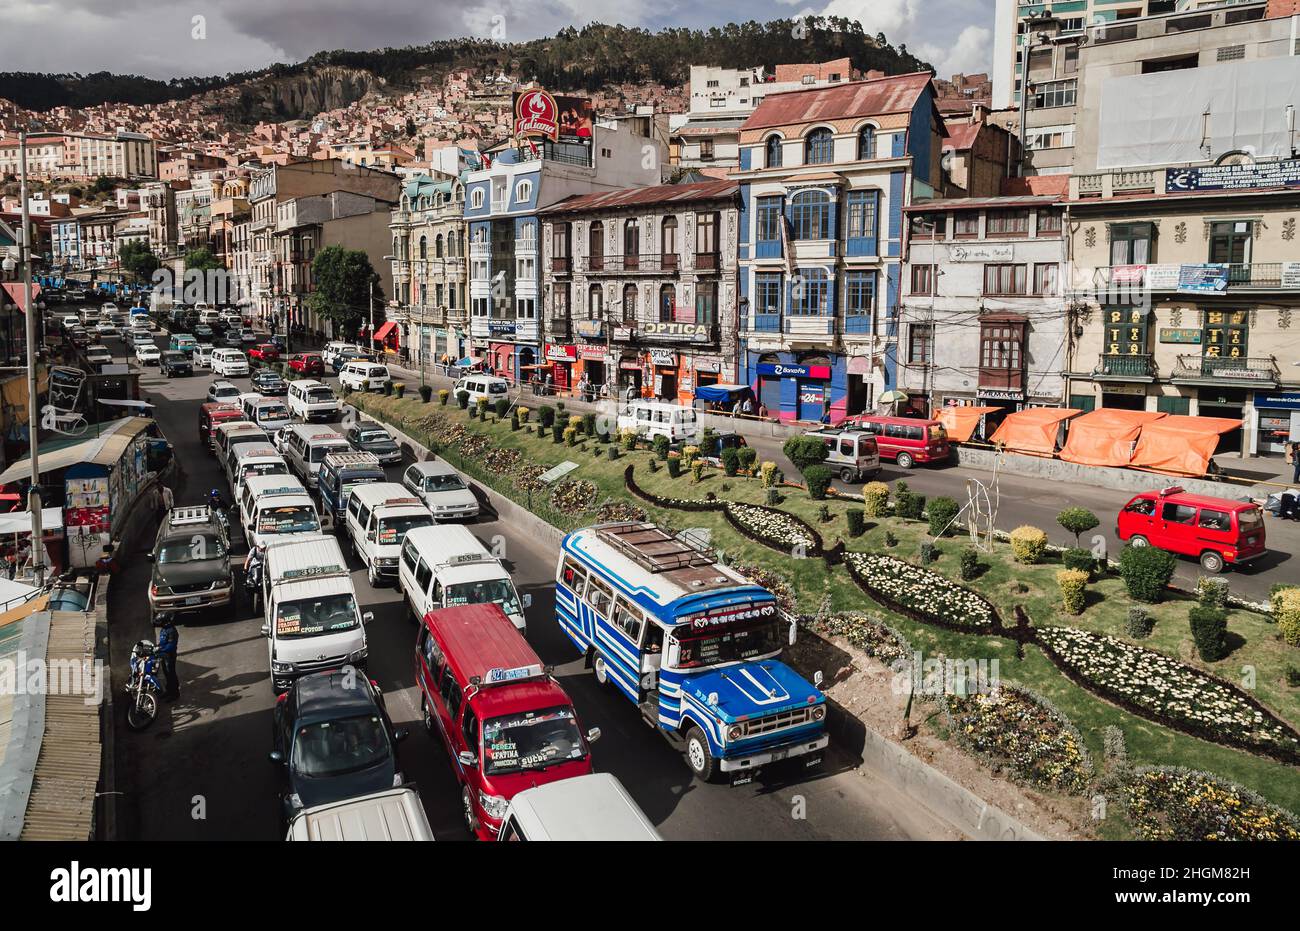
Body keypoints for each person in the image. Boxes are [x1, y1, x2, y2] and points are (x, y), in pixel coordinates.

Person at [155, 613, 180, 702]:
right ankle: (169, 691)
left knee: (171, 674)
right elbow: (162, 642)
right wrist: (157, 647)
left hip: (169, 656)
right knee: (167, 674)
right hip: (164, 655)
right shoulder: (164, 630)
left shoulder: (171, 631)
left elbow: (171, 646)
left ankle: (175, 694)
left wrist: (160, 650)